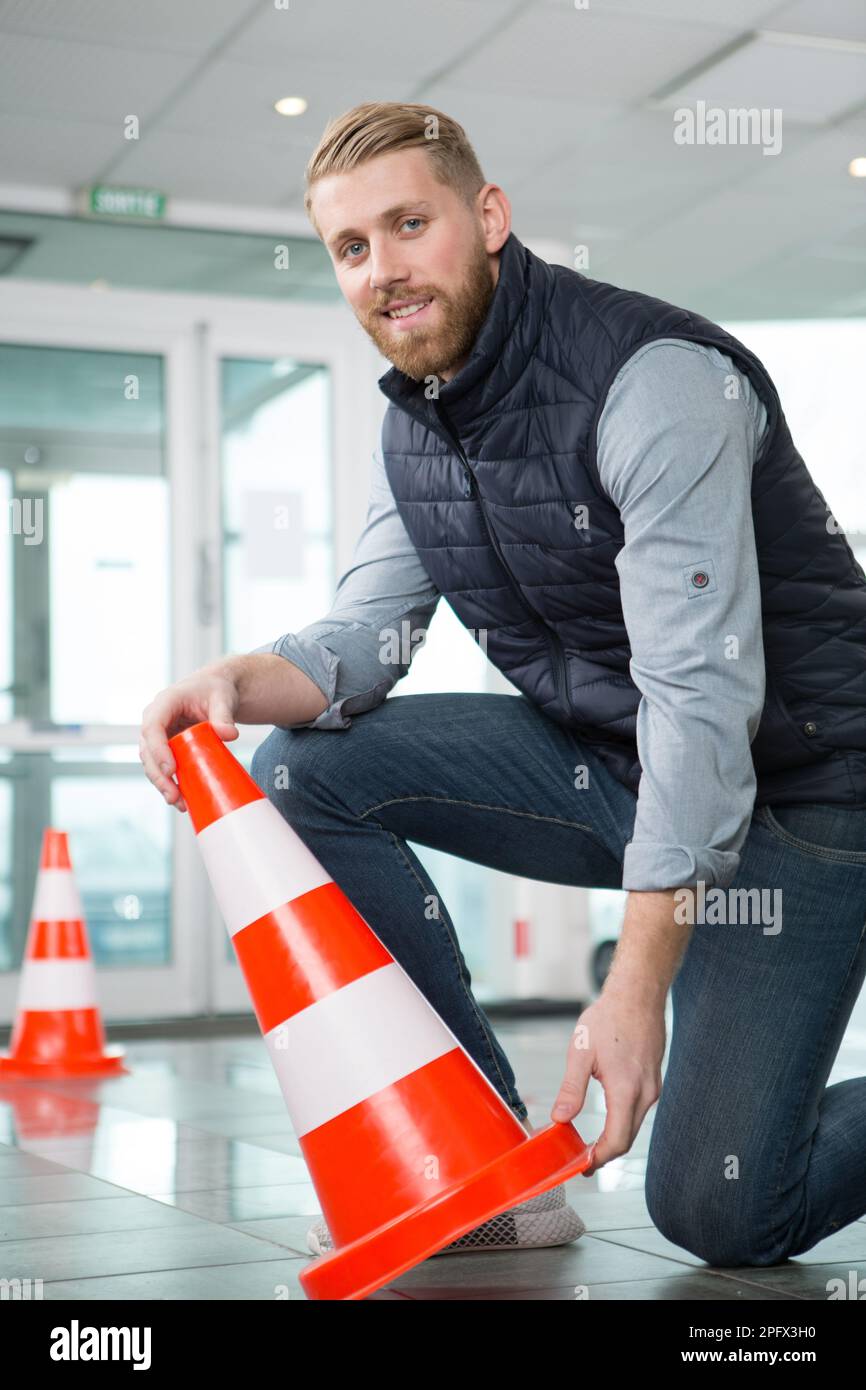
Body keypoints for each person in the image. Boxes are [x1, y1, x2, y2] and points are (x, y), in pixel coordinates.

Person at [141, 102, 866, 1268]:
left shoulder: (654, 383)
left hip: (802, 784)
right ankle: (481, 1156)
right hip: (615, 762)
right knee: (300, 773)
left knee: (721, 1211)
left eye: (408, 224)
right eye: (351, 248)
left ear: (487, 218)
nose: (383, 270)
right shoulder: (420, 428)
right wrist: (227, 677)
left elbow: (698, 703)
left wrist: (630, 999)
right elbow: (363, 644)